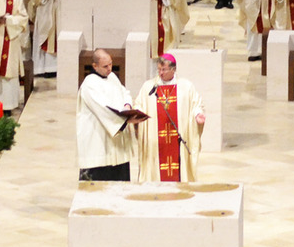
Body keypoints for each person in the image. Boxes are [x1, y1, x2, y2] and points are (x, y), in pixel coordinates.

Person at [131, 53, 207, 184]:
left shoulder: (186, 86)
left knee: (178, 168)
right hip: (156, 141)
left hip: (178, 139)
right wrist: (137, 114)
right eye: (159, 69)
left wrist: (198, 114)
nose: (160, 73)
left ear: (173, 69)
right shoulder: (149, 87)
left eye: (164, 70)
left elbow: (195, 104)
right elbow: (139, 104)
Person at [75, 50, 140, 182]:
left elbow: (124, 92)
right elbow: (103, 109)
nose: (109, 68)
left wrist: (127, 106)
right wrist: (125, 119)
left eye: (110, 64)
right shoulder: (89, 84)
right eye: (105, 66)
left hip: (117, 146)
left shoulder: (112, 77)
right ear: (95, 66)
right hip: (99, 143)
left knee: (120, 187)